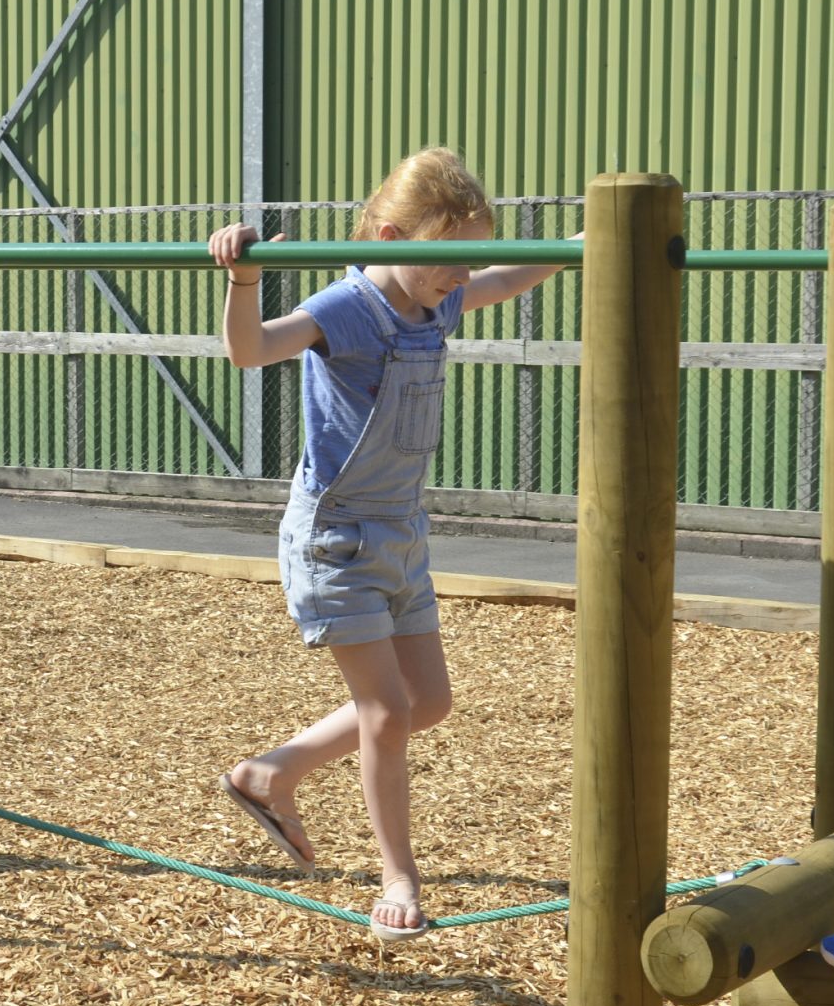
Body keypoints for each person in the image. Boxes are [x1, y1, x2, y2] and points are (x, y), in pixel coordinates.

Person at [210, 146, 576, 942]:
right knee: (386, 711)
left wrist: (583, 245)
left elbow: (506, 281)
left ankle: (271, 771)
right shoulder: (348, 306)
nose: (461, 276)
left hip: (403, 531)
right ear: (391, 237)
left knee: (428, 702)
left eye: (469, 259)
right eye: (450, 259)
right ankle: (398, 874)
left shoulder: (434, 301)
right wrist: (243, 281)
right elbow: (250, 350)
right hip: (338, 536)